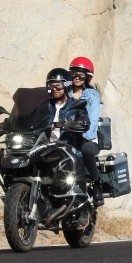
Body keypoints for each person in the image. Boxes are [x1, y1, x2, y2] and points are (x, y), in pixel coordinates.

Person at [36, 57, 103, 206]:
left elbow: (91, 121)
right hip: (65, 137)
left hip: (86, 137)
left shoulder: (92, 96)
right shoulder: (64, 92)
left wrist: (79, 132)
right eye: (74, 74)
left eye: (81, 75)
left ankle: (96, 183)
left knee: (85, 149)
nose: (77, 78)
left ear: (88, 77)